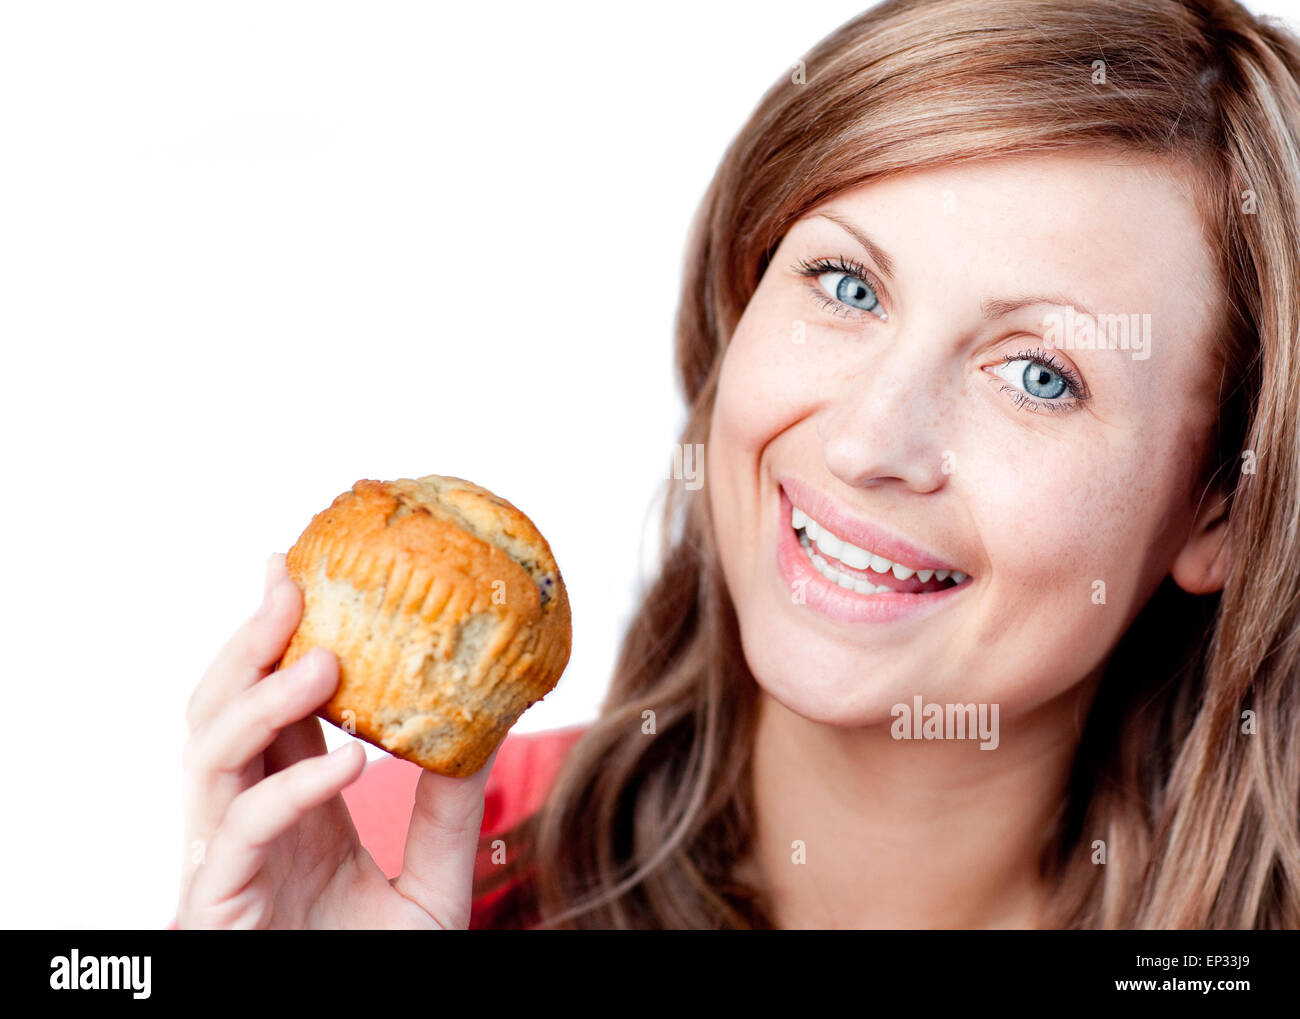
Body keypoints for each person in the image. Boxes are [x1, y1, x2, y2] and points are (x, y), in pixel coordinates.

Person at [175, 0, 1300, 929]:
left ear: (1219, 508)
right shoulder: (405, 864)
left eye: (1039, 374)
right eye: (848, 286)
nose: (866, 442)